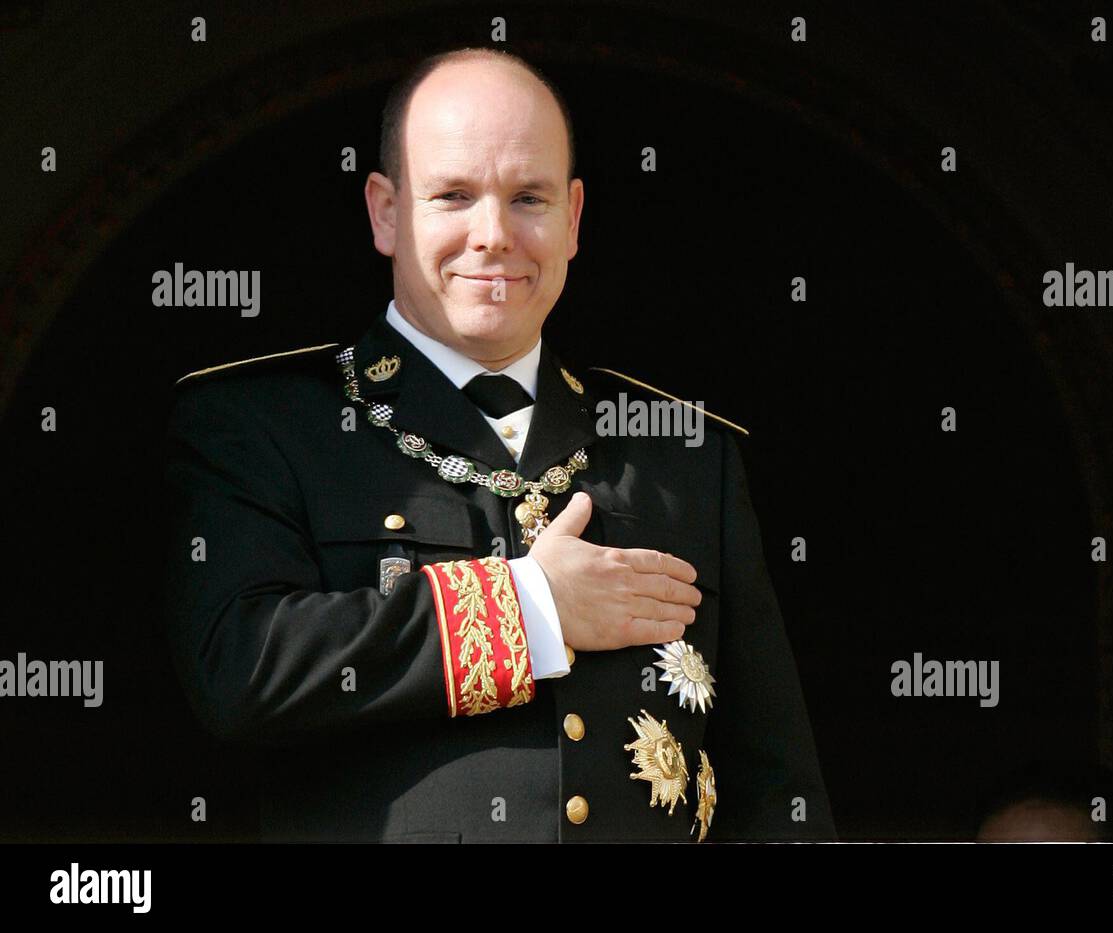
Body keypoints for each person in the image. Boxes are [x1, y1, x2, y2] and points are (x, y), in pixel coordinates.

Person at [164, 46, 835, 843]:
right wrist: (531, 607)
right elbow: (239, 669)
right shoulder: (265, 425)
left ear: (575, 218)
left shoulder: (683, 454)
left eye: (529, 198)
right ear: (385, 212)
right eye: (453, 196)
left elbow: (775, 789)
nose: (494, 236)